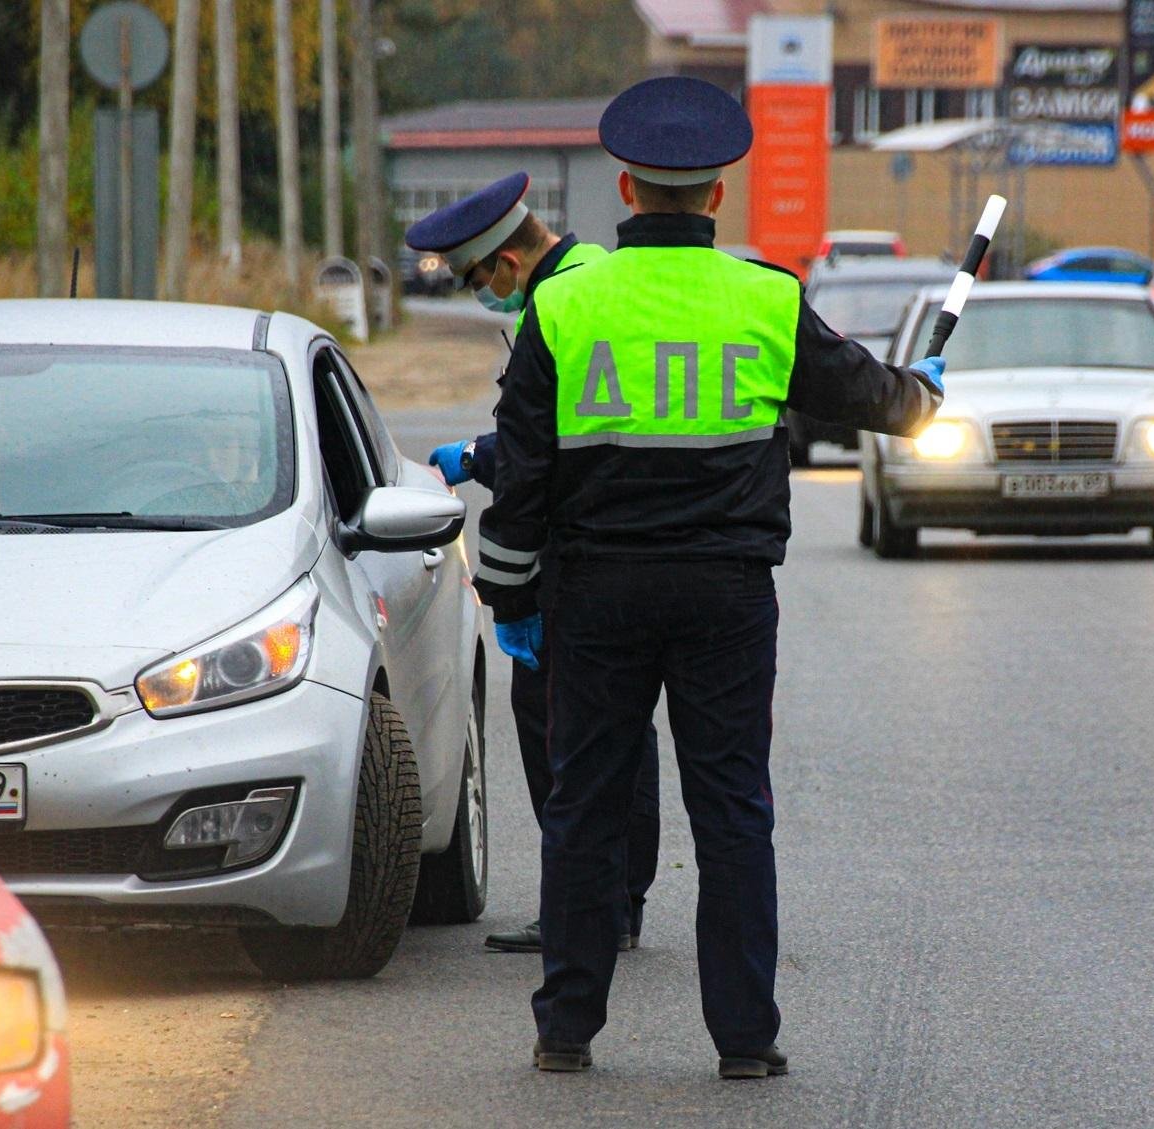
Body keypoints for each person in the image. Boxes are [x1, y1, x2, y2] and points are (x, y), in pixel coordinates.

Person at [471, 76, 947, 1079]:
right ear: (717, 196)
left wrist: (515, 603)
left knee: (585, 807)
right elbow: (871, 396)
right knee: (731, 811)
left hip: (596, 594)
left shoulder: (563, 303)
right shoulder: (766, 297)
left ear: (628, 191)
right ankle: (745, 1040)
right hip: (727, 594)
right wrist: (921, 397)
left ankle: (565, 1027)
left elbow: (522, 481)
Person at [404, 175, 662, 954]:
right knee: (622, 735)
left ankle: (583, 910)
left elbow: (541, 451)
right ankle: (618, 900)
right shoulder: (594, 281)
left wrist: (511, 595)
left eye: (480, 278)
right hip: (623, 544)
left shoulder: (559, 303)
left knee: (566, 741)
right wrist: (481, 455)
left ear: (508, 261)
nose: (482, 293)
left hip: (571, 558)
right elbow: (581, 421)